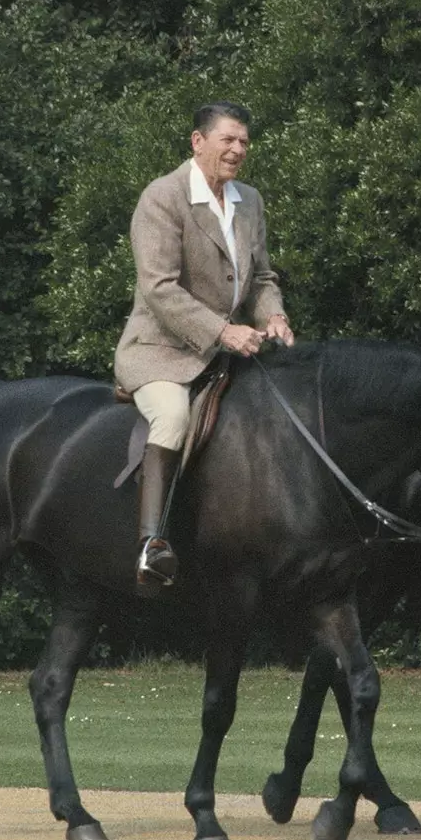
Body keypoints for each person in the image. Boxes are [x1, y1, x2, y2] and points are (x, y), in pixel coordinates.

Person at [114, 101, 295, 586]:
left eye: (244, 142)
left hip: (229, 349)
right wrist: (221, 330)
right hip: (161, 350)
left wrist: (272, 315)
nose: (238, 150)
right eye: (227, 140)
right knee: (172, 416)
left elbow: (260, 278)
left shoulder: (249, 200)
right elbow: (159, 288)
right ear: (198, 142)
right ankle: (151, 545)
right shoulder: (162, 197)